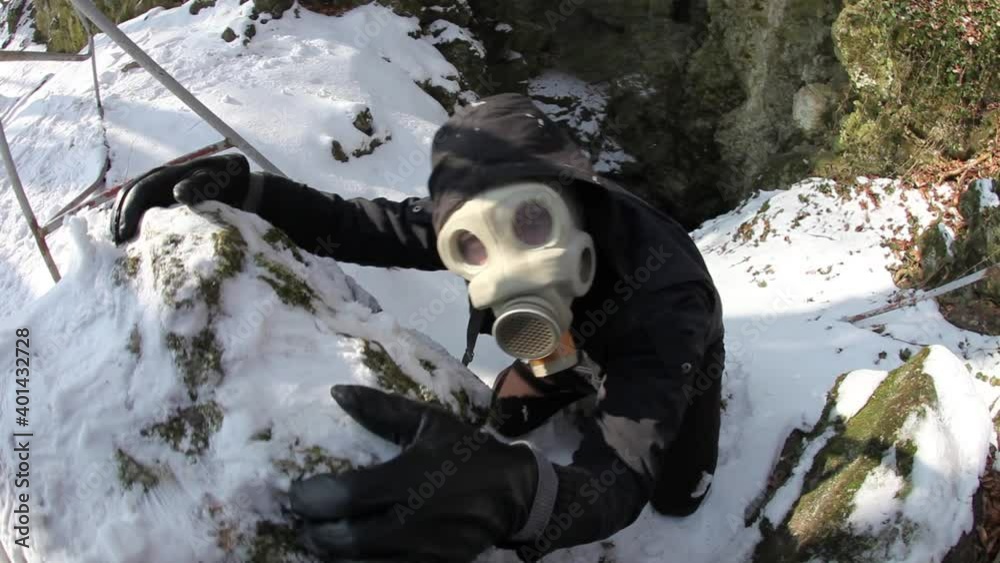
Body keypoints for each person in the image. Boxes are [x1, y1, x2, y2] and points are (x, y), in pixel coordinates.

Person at [111, 93, 725, 562]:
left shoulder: (667, 302)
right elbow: (359, 225)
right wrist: (252, 192)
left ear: (575, 199)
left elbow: (617, 479)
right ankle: (567, 372)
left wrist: (515, 496)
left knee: (677, 494)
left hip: (664, 357)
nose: (506, 260)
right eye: (472, 246)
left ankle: (622, 386)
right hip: (558, 339)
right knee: (505, 417)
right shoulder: (486, 214)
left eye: (532, 223)